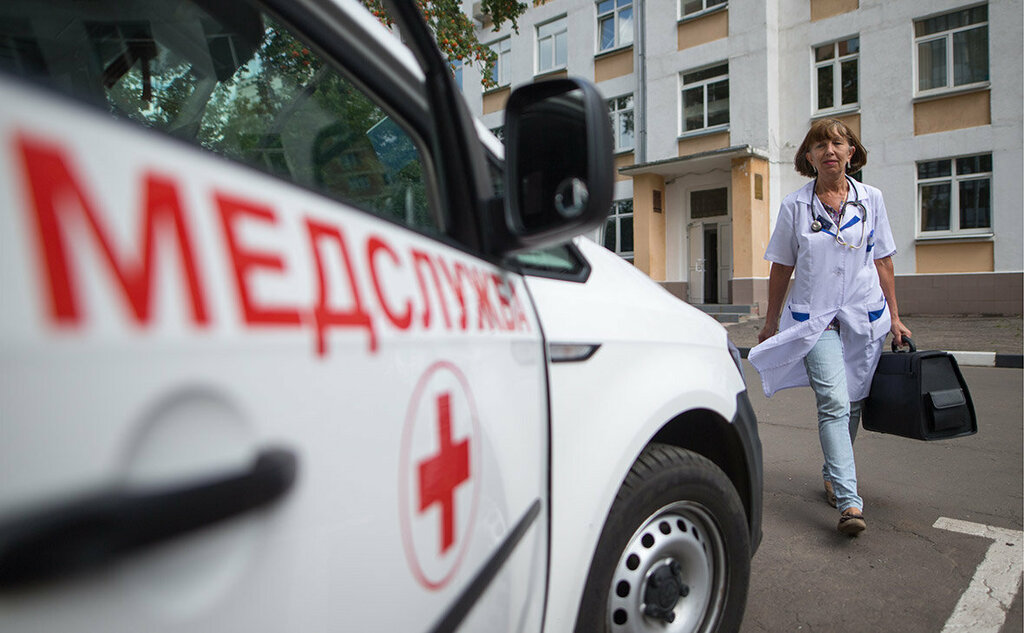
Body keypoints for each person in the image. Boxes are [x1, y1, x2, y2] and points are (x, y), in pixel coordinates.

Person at [748, 118, 911, 536]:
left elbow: (884, 261)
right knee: (834, 402)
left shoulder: (871, 199)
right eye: (819, 145)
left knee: (853, 400)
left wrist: (894, 317)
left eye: (837, 143)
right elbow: (781, 267)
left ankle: (831, 474)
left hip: (864, 316)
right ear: (809, 157)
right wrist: (770, 323)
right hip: (815, 321)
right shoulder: (795, 206)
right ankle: (850, 501)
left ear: (851, 152)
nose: (829, 151)